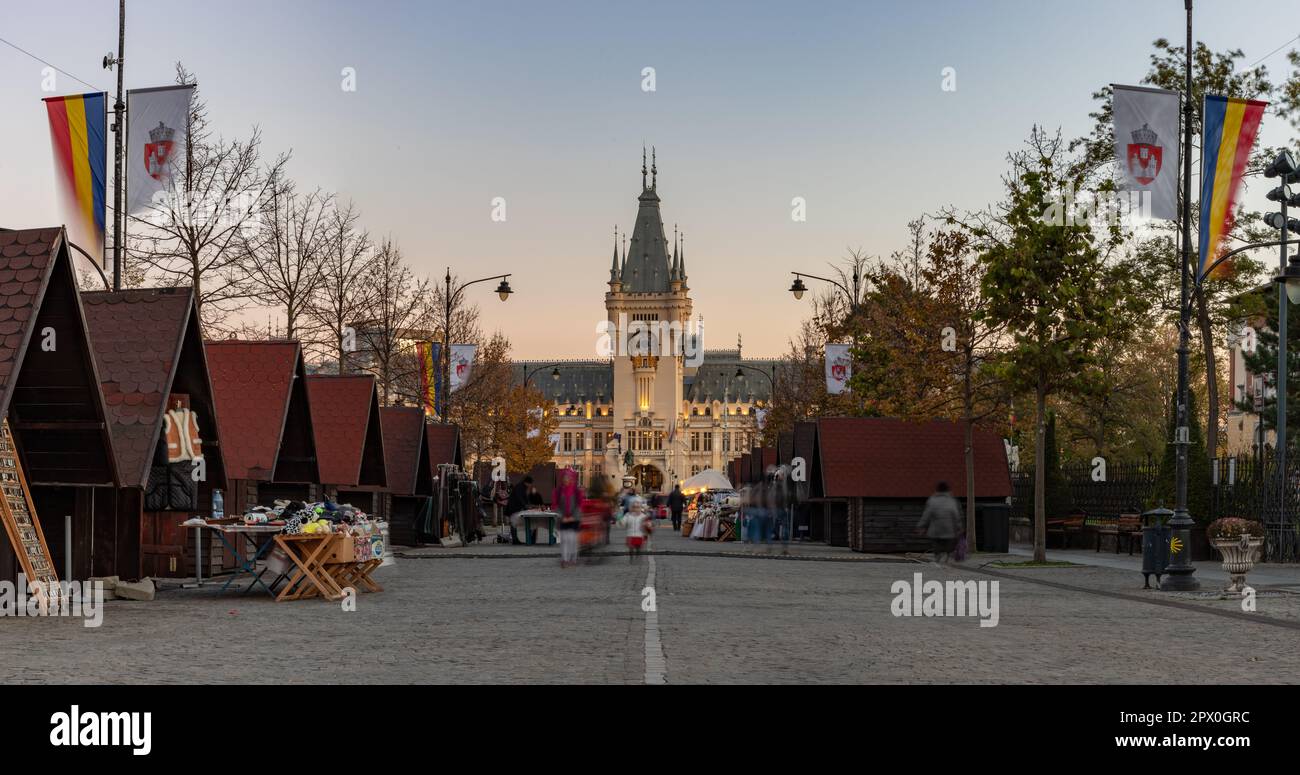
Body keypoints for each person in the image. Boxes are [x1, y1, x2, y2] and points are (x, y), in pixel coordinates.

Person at [917, 481, 962, 566]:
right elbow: (956, 515)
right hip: (949, 529)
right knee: (949, 544)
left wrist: (921, 526)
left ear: (937, 490)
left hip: (935, 530)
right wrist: (959, 527)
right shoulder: (952, 501)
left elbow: (927, 515)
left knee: (936, 544)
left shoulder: (932, 500)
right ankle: (948, 558)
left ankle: (937, 557)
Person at [554, 469, 582, 568]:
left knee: (573, 540)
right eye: (565, 478)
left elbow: (579, 505)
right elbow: (556, 505)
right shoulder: (559, 491)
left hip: (574, 520)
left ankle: (573, 559)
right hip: (563, 519)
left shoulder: (576, 491)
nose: (566, 479)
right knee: (564, 540)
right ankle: (565, 559)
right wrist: (562, 517)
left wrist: (573, 517)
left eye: (568, 478)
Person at [505, 475, 533, 544]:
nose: (530, 485)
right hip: (513, 508)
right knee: (513, 523)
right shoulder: (520, 487)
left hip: (514, 507)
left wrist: (528, 504)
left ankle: (515, 539)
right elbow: (519, 497)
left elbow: (525, 498)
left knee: (513, 523)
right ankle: (515, 540)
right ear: (527, 482)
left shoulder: (522, 487)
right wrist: (525, 506)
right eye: (530, 483)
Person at [625, 496, 650, 562]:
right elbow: (623, 522)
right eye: (634, 507)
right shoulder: (628, 515)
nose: (635, 509)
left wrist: (647, 529)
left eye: (637, 507)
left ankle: (638, 554)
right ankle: (631, 557)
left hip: (639, 535)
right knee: (631, 547)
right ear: (631, 507)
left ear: (640, 508)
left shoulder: (643, 516)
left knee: (638, 546)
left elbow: (647, 525)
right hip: (630, 534)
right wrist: (620, 522)